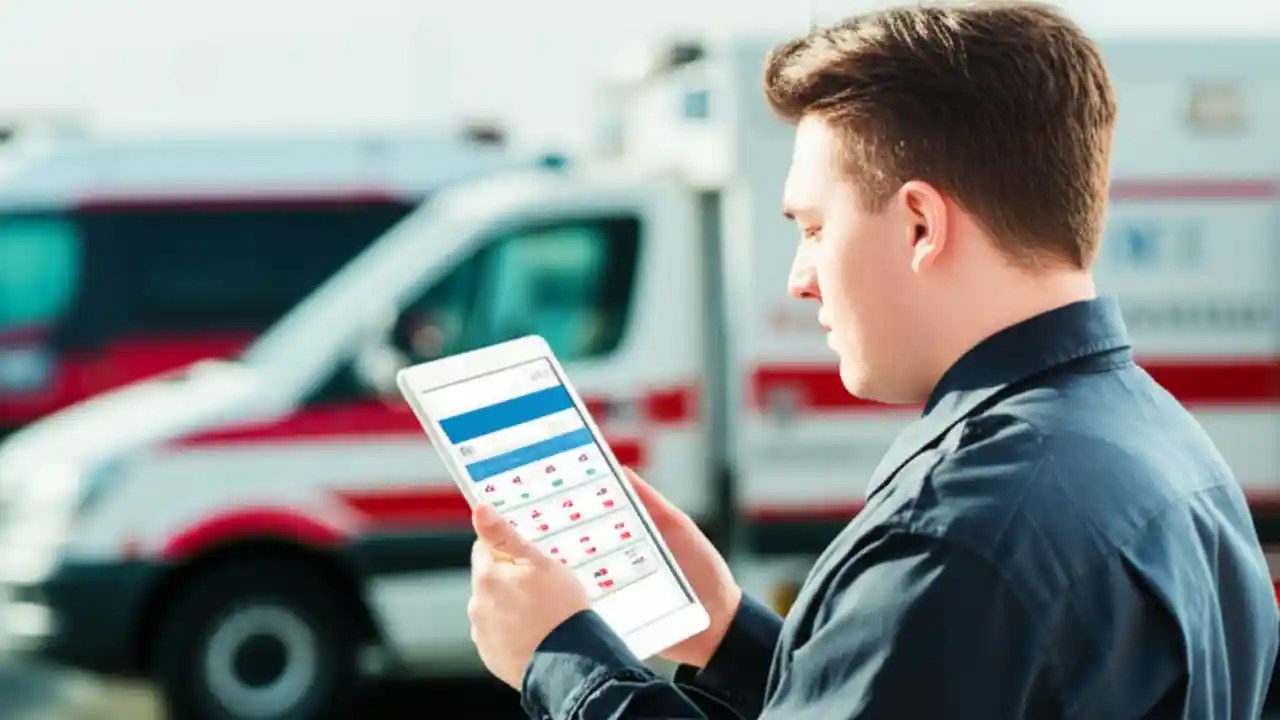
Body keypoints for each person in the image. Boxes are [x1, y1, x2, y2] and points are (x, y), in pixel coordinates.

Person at [465, 2, 1280, 718]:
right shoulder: (1168, 443)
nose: (800, 277)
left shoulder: (957, 533)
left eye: (814, 227)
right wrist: (724, 630)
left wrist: (563, 664)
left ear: (920, 224)